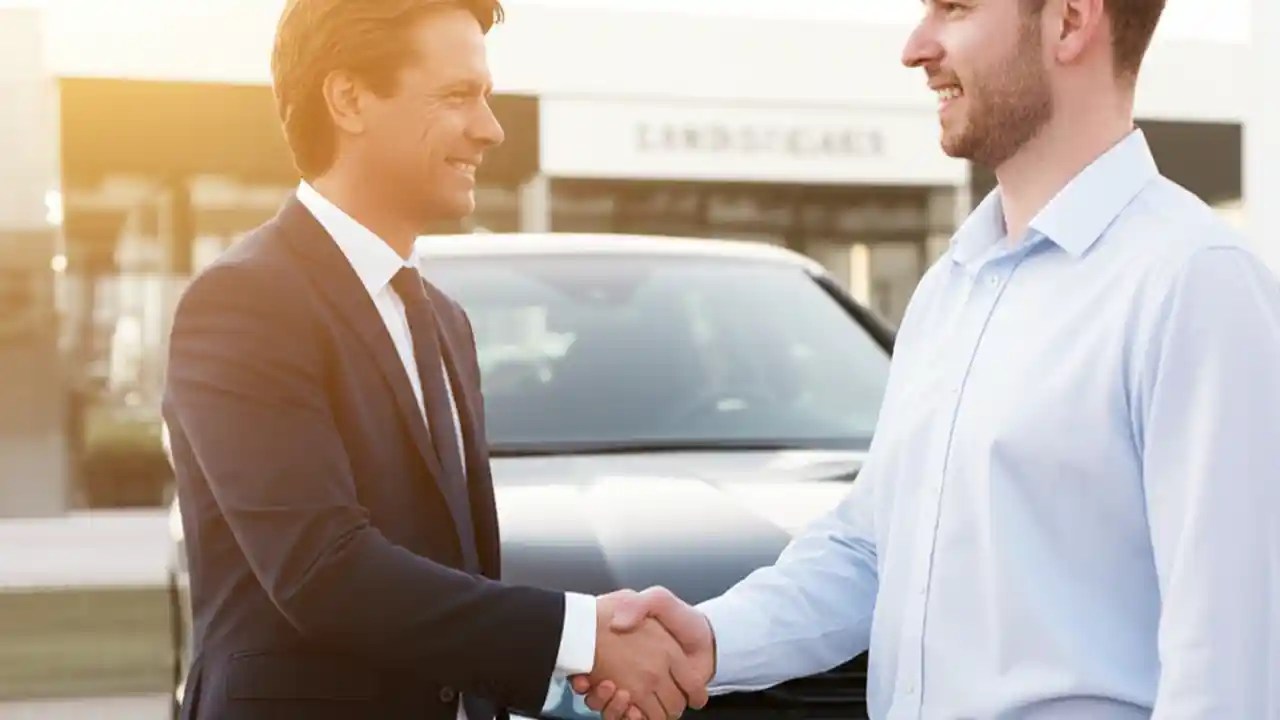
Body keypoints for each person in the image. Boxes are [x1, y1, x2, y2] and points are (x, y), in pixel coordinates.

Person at [574, 0, 1280, 717]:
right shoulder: (952, 286)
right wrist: (712, 640)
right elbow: (872, 550)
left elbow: (1226, 670)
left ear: (1070, 20)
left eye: (955, 8)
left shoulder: (1196, 284)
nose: (915, 47)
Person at [161, 1, 705, 719]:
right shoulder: (244, 302)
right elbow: (321, 571)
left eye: (486, 95)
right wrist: (582, 638)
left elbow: (458, 574)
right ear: (349, 99)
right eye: (457, 95)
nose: (491, 128)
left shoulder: (445, 321)